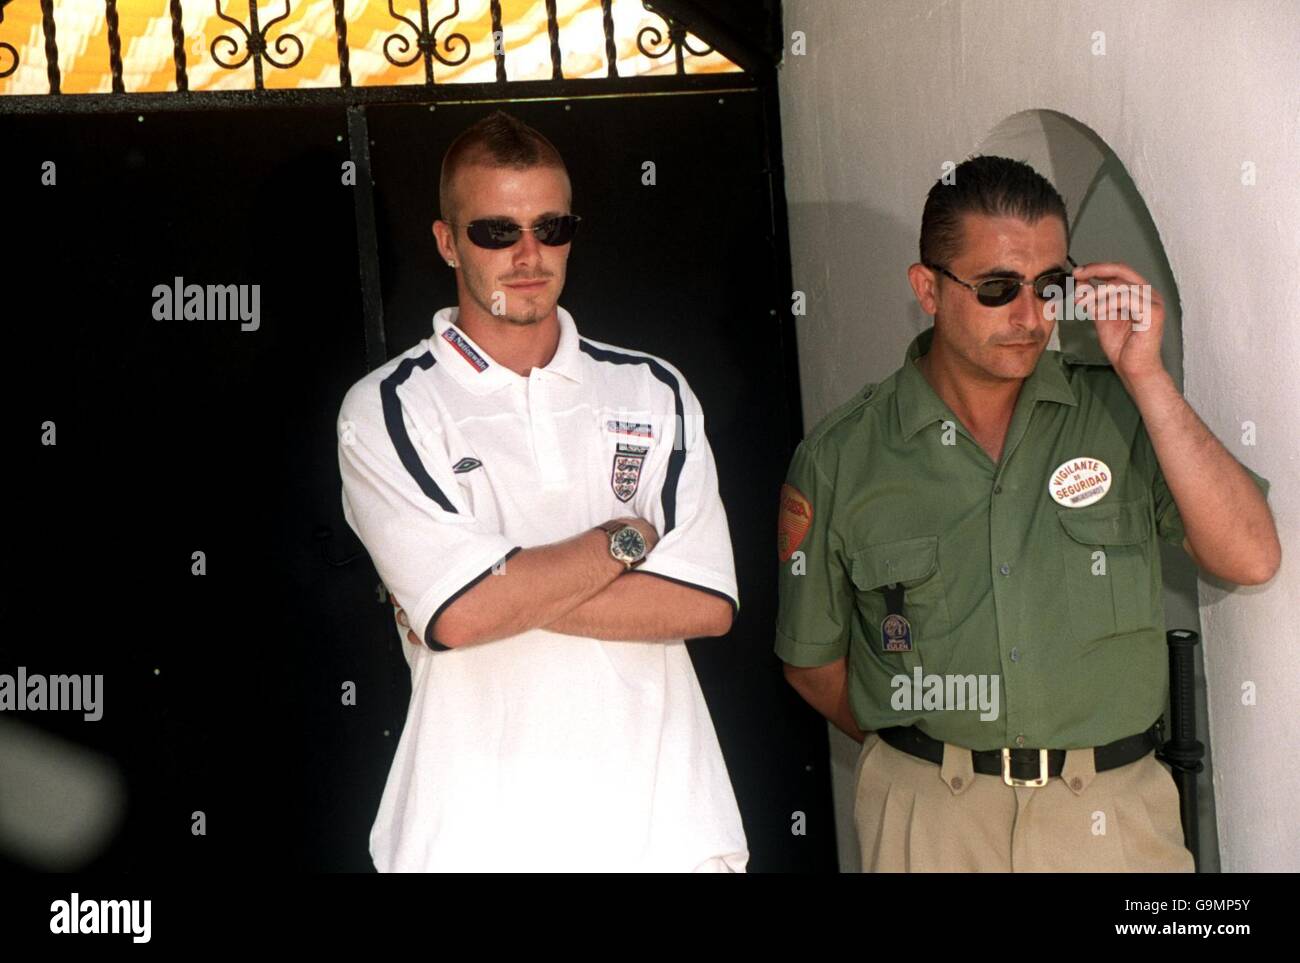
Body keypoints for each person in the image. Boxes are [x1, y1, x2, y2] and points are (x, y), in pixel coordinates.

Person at [775, 155, 1280, 872]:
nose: (1029, 315)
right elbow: (812, 661)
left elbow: (1252, 555)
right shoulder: (842, 457)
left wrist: (1147, 375)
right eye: (997, 287)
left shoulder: (1120, 413)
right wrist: (935, 759)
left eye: (1050, 286)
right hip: (935, 828)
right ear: (927, 288)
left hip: (1116, 822)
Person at [337, 111, 747, 871]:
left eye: (551, 227)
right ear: (446, 242)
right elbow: (460, 615)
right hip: (474, 839)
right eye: (496, 231)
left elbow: (704, 603)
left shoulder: (651, 388)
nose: (529, 255)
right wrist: (624, 541)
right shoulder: (389, 407)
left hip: (669, 836)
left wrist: (498, 586)